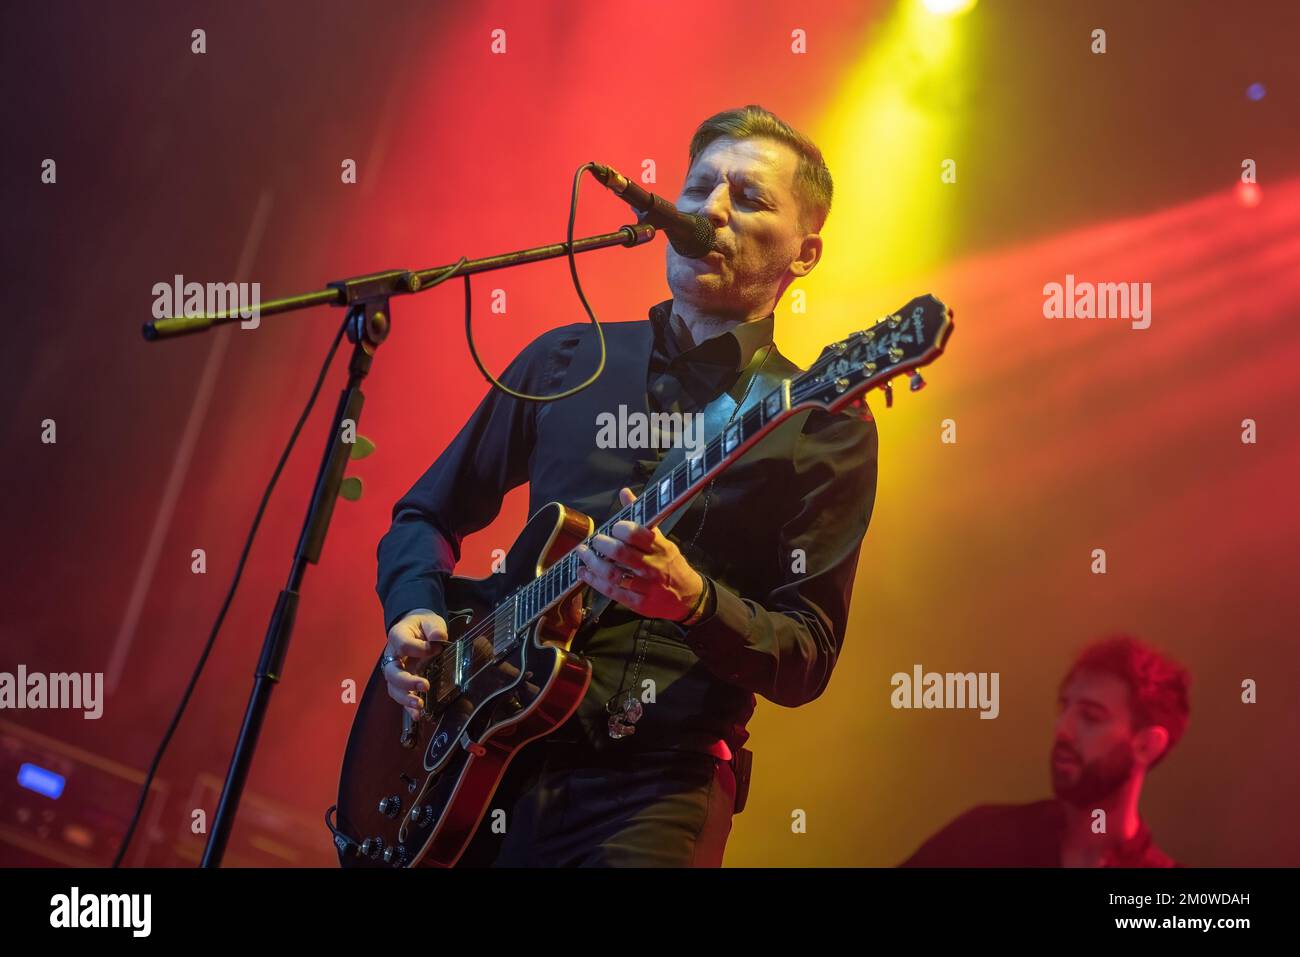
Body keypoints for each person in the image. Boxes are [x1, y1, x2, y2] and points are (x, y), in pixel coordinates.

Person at [375, 105, 878, 866]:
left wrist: (697, 603)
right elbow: (426, 512)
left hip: (652, 792)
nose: (711, 209)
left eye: (748, 199)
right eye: (701, 185)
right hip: (479, 761)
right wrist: (414, 605)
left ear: (805, 254)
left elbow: (807, 654)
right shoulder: (567, 360)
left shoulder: (817, 420)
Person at [901, 635, 1191, 867]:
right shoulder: (983, 836)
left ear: (1145, 746)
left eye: (1090, 716)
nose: (1062, 729)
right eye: (1063, 708)